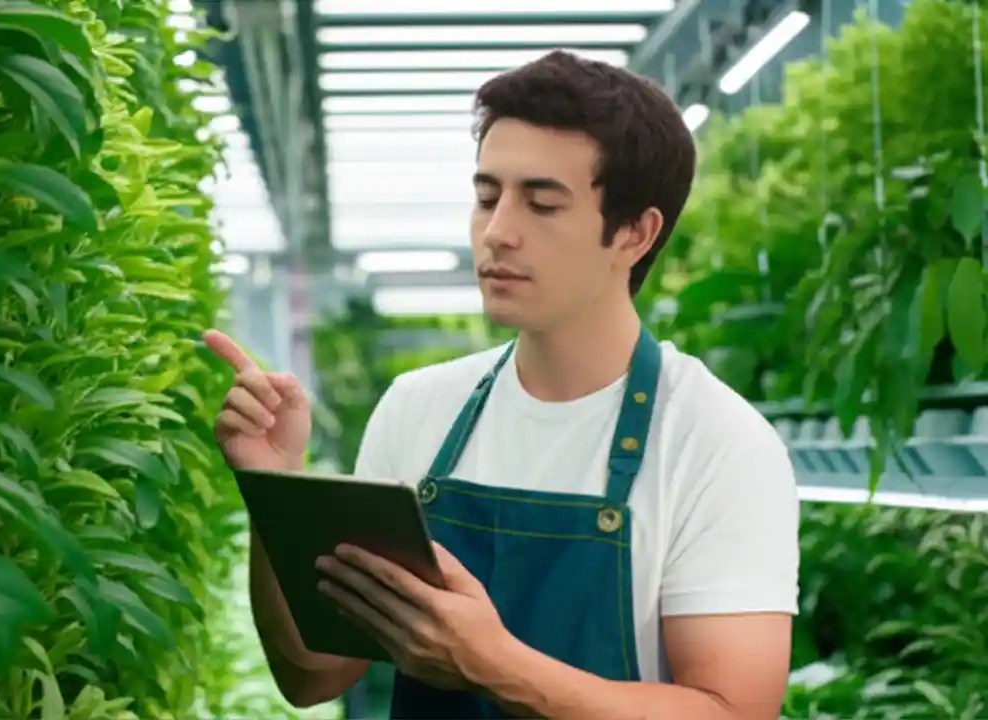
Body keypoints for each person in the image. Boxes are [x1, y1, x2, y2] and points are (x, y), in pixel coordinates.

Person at [204, 49, 800, 720]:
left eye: (542, 204)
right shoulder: (418, 408)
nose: (497, 232)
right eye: (487, 197)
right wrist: (275, 485)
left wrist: (494, 666)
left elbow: (731, 711)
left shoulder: (717, 443)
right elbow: (313, 675)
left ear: (635, 233)